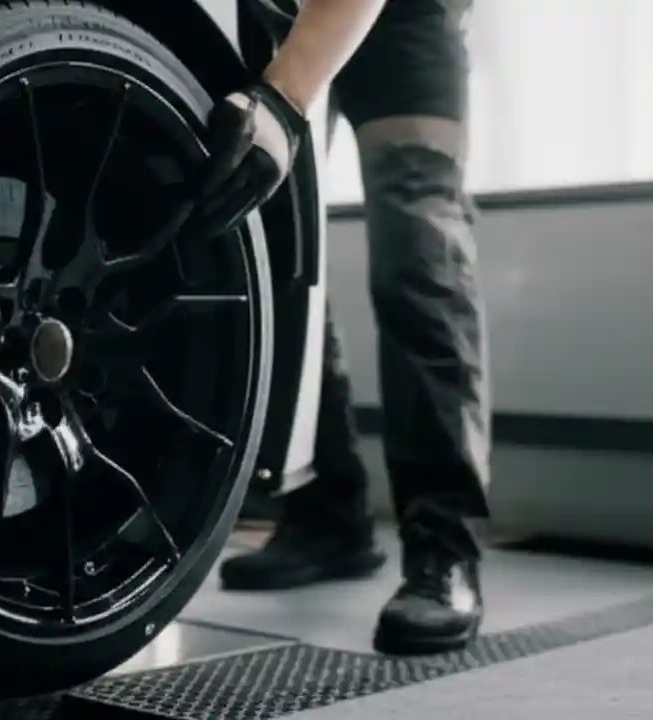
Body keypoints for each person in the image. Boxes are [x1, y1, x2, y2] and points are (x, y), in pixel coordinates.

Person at [189, 0, 491, 656]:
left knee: (421, 255)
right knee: (286, 249)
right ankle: (328, 517)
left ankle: (445, 547)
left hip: (411, 17)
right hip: (283, 10)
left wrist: (287, 94)